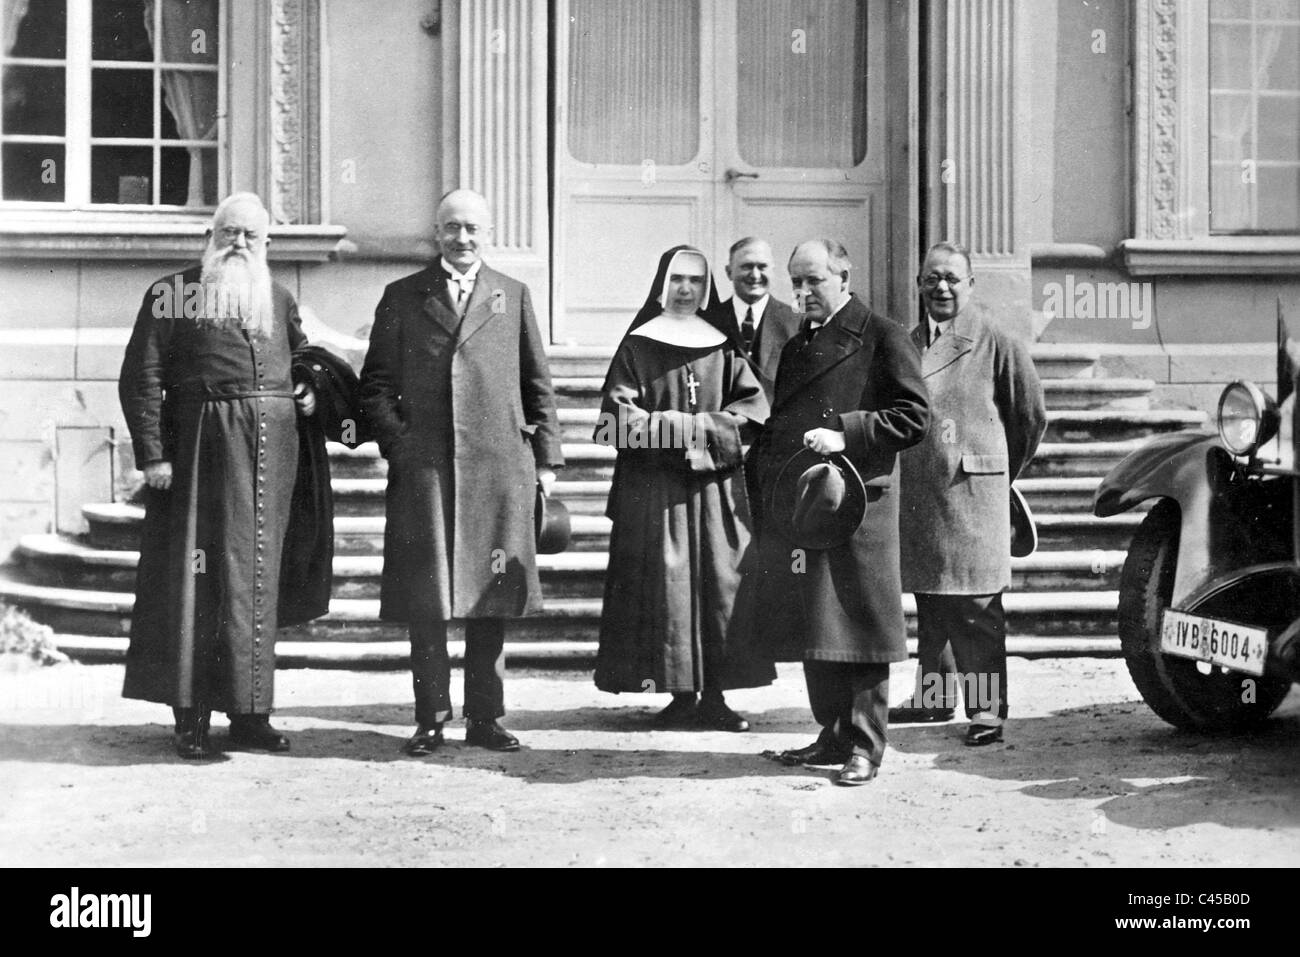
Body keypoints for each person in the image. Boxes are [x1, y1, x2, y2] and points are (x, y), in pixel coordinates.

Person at [359, 188, 563, 756]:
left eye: (473, 228)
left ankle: (485, 718)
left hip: (497, 468)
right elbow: (374, 385)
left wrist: (546, 461)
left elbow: (536, 383)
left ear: (488, 232)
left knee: (490, 597)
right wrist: (400, 444)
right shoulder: (402, 296)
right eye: (452, 228)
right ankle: (431, 717)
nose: (463, 238)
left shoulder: (512, 295)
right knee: (426, 599)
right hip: (425, 469)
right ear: (437, 233)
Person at [119, 192, 317, 759]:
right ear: (209, 237)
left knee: (257, 584)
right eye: (228, 233)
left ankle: (251, 714)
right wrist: (154, 455)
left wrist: (308, 388)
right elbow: (142, 376)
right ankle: (192, 719)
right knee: (196, 582)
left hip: (271, 459)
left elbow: (302, 359)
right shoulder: (172, 294)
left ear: (267, 244)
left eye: (250, 236)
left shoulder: (277, 298)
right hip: (202, 454)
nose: (238, 244)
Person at [746, 239, 929, 785]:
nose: (802, 294)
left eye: (814, 282)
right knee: (817, 625)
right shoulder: (799, 343)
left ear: (844, 275)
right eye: (796, 283)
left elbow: (913, 416)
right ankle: (832, 734)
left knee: (861, 626)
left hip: (858, 504)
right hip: (806, 504)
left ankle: (866, 746)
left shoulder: (883, 335)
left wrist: (846, 431)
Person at [593, 246, 772, 731]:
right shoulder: (637, 346)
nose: (687, 289)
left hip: (715, 490)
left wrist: (698, 432)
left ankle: (715, 696)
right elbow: (614, 422)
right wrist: (688, 430)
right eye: (677, 280)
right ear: (660, 285)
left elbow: (754, 413)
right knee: (664, 589)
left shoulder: (723, 345)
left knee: (721, 586)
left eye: (696, 280)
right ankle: (675, 692)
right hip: (655, 491)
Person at [891, 242, 1047, 745]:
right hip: (922, 495)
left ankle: (987, 712)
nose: (941, 287)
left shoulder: (994, 341)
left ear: (971, 286)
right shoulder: (908, 343)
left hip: (973, 494)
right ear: (918, 285)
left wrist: (996, 472)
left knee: (977, 608)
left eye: (953, 279)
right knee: (933, 601)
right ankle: (934, 697)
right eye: (932, 278)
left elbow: (1029, 417)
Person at [718, 237, 800, 403]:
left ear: (772, 271)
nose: (755, 275)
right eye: (746, 266)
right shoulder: (712, 320)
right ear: (729, 272)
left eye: (762, 267)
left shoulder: (796, 322)